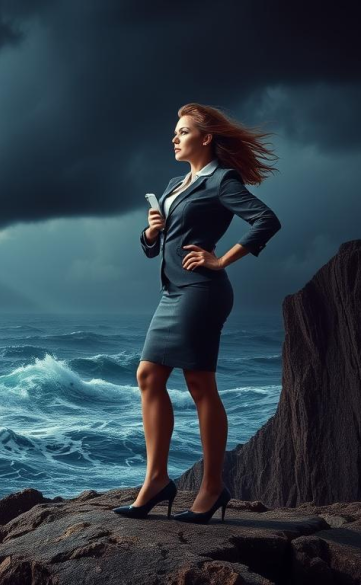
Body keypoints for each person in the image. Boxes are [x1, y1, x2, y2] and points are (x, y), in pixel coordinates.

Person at [113, 103, 282, 524]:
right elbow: (155, 246)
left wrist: (221, 260)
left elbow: (266, 220)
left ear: (206, 138)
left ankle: (212, 488)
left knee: (199, 383)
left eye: (184, 131)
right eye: (175, 132)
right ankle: (157, 480)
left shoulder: (222, 180)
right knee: (148, 376)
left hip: (203, 291)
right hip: (172, 291)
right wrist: (151, 231)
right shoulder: (175, 184)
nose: (175, 138)